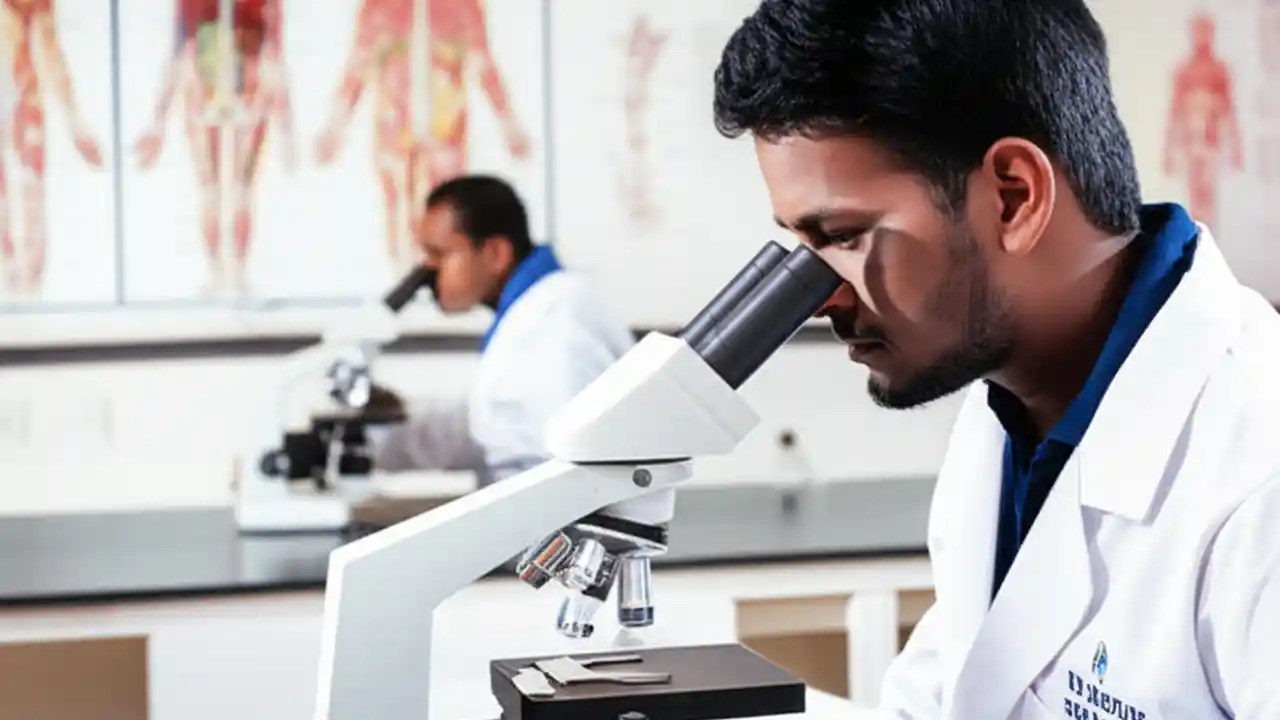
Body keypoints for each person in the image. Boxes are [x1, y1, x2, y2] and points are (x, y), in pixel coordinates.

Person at [714, 1, 1279, 718]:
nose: (821, 297)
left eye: (844, 236)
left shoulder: (1257, 476)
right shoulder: (1008, 415)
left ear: (1015, 197)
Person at [373, 175, 634, 488]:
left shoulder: (560, 323)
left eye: (440, 254)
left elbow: (560, 463)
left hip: (556, 513)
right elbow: (488, 428)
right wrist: (388, 422)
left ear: (496, 254)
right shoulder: (533, 316)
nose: (428, 272)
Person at [314, 0, 531, 273]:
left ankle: (438, 277)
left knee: (449, 210)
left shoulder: (462, 6)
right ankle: (404, 275)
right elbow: (358, 67)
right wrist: (335, 128)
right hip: (394, 124)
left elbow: (482, 64)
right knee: (398, 206)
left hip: (445, 127)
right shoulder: (379, 7)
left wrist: (509, 125)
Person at [134, 0, 296, 298]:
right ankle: (223, 274)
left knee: (235, 189)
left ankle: (232, 274)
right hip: (213, 74)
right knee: (218, 188)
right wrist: (158, 121)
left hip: (237, 74)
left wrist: (287, 127)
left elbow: (273, 51)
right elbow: (180, 49)